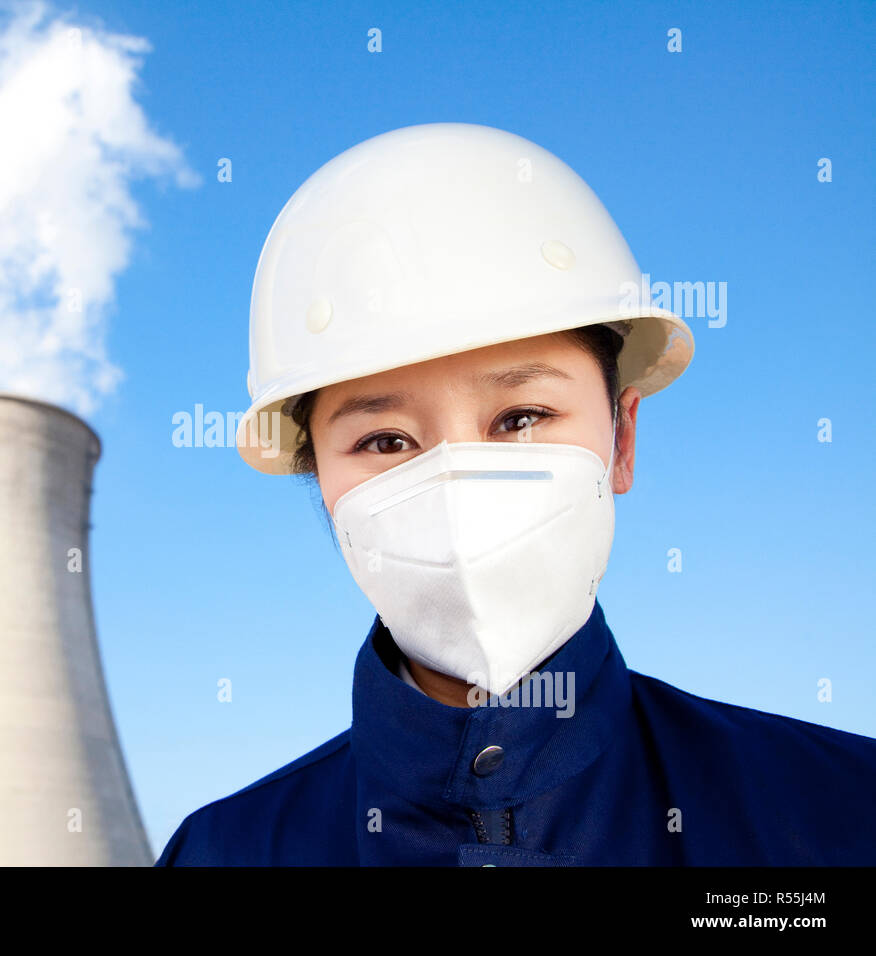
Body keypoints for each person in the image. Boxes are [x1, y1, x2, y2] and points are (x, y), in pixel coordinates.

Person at [155, 123, 876, 866]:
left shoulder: (842, 814)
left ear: (621, 440)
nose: (454, 483)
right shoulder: (223, 851)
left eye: (520, 419)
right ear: (320, 483)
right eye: (386, 442)